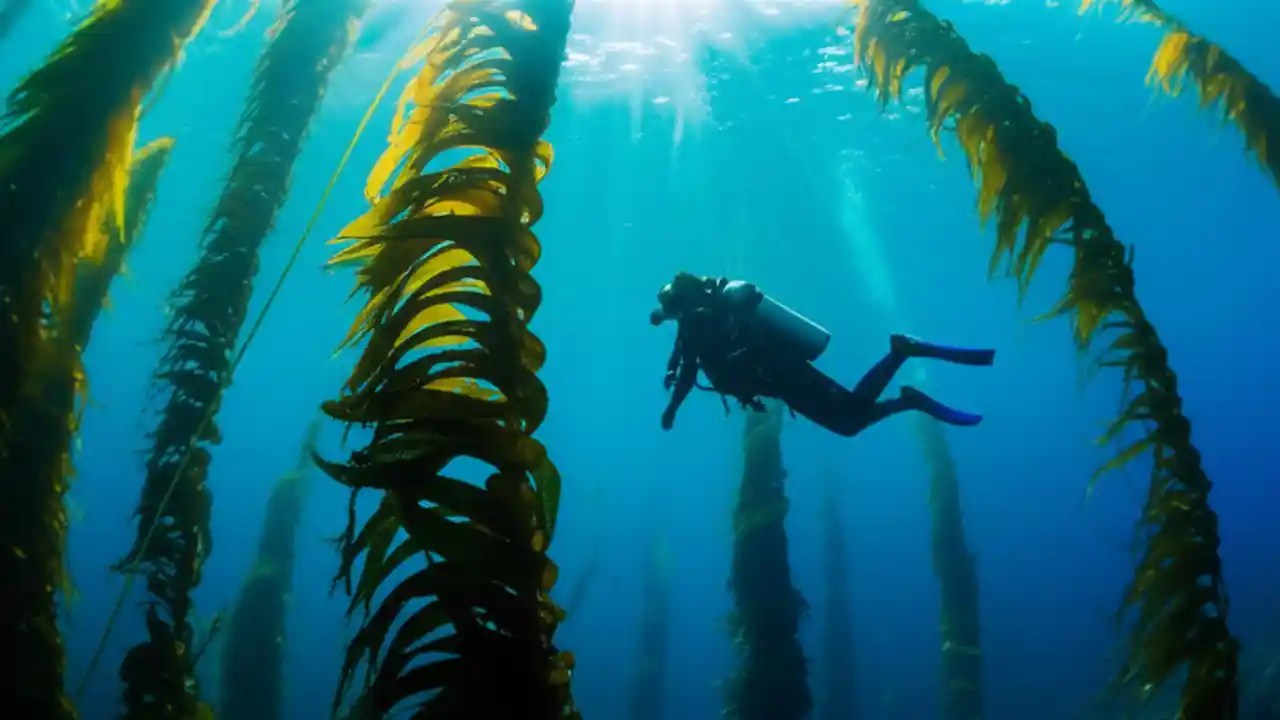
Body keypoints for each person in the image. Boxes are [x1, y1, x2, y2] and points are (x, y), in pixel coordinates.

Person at [650, 272, 995, 436]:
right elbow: (682, 356)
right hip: (780, 377)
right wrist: (671, 367)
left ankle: (901, 357)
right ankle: (906, 389)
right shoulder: (702, 317)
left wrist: (671, 411)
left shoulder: (695, 322)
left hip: (784, 375)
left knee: (851, 417)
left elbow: (689, 372)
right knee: (849, 420)